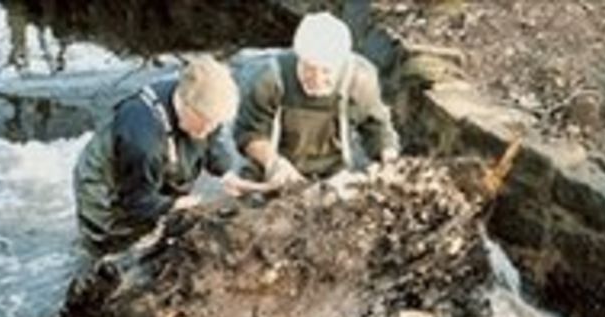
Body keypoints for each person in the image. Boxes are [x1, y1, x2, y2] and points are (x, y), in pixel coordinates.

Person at [72, 55, 254, 257]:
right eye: (208, 122)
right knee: (112, 247)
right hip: (107, 181)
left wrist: (226, 174)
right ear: (186, 105)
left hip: (154, 161)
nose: (211, 129)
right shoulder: (144, 140)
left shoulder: (205, 106)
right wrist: (176, 204)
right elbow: (136, 201)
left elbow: (212, 144)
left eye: (216, 123)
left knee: (161, 230)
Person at [233, 12, 400, 187]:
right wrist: (274, 164)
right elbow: (248, 133)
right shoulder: (270, 79)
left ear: (341, 63)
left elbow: (377, 126)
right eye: (308, 69)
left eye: (326, 71)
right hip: (276, 167)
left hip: (334, 173)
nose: (317, 79)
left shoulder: (359, 80)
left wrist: (388, 160)